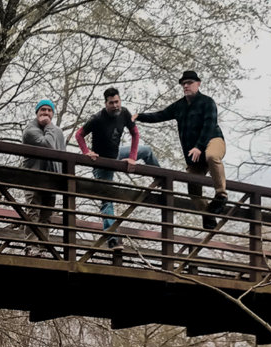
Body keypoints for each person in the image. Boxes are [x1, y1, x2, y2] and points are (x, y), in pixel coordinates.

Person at [133, 70, 227, 230]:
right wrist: (138, 116)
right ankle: (208, 215)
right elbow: (159, 115)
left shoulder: (207, 102)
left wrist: (199, 146)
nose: (186, 86)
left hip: (213, 141)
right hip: (194, 155)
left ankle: (221, 195)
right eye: (183, 84)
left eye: (189, 83)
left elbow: (209, 125)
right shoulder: (179, 106)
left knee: (212, 156)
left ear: (198, 84)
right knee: (192, 185)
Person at [75, 87, 160, 247]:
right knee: (107, 200)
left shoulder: (125, 113)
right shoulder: (98, 118)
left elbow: (135, 133)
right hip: (102, 163)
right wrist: (87, 152)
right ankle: (112, 239)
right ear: (106, 103)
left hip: (117, 154)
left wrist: (133, 157)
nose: (115, 105)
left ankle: (161, 180)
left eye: (117, 102)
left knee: (147, 151)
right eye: (111, 103)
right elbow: (79, 134)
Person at [21, 98, 67, 239]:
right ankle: (31, 247)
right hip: (33, 178)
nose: (46, 113)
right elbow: (48, 145)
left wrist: (62, 179)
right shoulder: (30, 130)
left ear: (53, 113)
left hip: (51, 180)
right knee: (33, 213)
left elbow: (63, 154)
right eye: (43, 110)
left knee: (46, 217)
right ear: (37, 112)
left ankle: (43, 248)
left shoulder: (57, 132)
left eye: (49, 110)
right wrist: (49, 126)